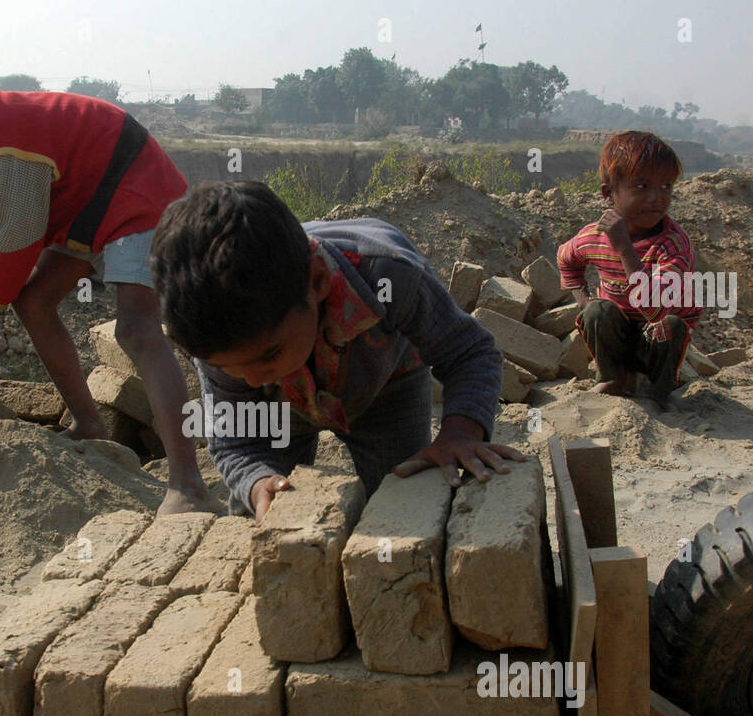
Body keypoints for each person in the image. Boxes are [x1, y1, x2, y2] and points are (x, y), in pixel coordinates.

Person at [0, 22, 222, 515]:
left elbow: (14, 252)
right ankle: (89, 422)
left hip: (136, 192)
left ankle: (188, 485)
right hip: (90, 204)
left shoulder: (3, 141)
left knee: (137, 329)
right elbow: (13, 247)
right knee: (33, 301)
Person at [149, 180, 525, 522]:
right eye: (233, 369)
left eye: (269, 355)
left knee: (406, 503)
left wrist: (460, 433)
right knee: (265, 512)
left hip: (385, 386)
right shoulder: (214, 327)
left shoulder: (390, 277)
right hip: (278, 410)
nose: (254, 379)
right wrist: (257, 482)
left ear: (317, 281)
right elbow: (236, 441)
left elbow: (470, 353)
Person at [557, 130, 699, 409]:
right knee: (597, 311)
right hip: (618, 335)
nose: (657, 198)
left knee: (669, 325)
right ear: (609, 194)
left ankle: (659, 389)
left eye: (665, 187)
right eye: (642, 187)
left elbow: (656, 310)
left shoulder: (673, 245)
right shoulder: (593, 237)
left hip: (657, 338)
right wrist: (582, 300)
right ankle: (614, 377)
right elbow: (566, 258)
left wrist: (624, 249)